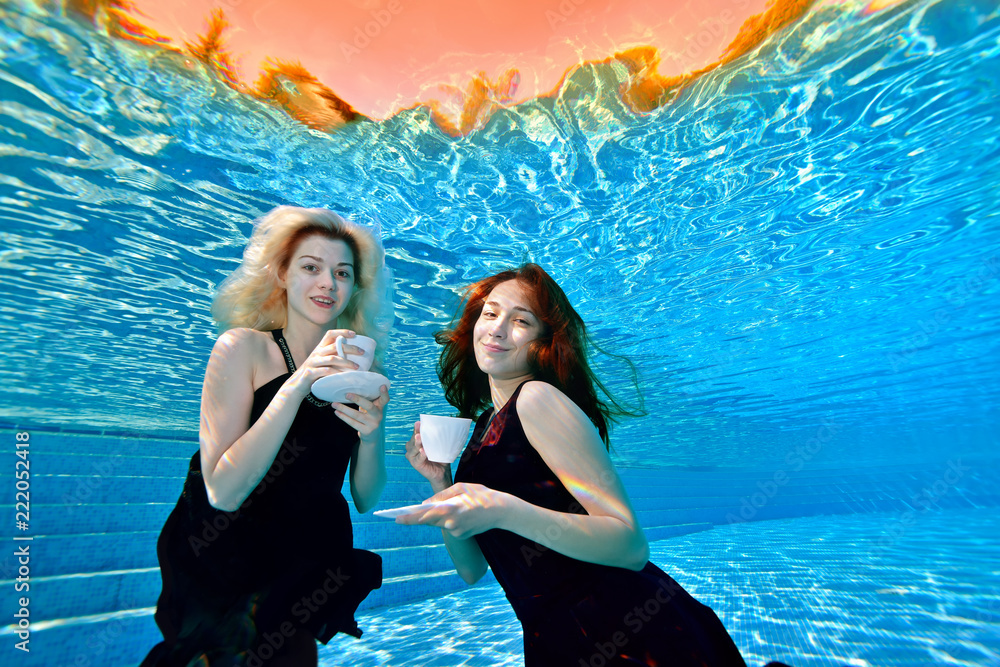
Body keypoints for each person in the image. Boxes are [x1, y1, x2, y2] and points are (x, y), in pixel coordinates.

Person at [400, 263, 754, 667]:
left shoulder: (536, 399)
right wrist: (440, 481)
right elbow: (471, 569)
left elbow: (631, 546)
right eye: (491, 313)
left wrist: (503, 508)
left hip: (629, 633)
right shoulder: (484, 428)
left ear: (543, 341)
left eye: (520, 321)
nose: (497, 329)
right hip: (555, 639)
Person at [142, 206, 393, 667]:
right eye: (310, 267)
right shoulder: (243, 349)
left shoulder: (359, 372)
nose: (328, 284)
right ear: (281, 272)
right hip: (222, 561)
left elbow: (365, 497)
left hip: (302, 563)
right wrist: (297, 386)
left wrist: (374, 436)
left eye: (342, 272)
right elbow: (222, 491)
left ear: (356, 286)